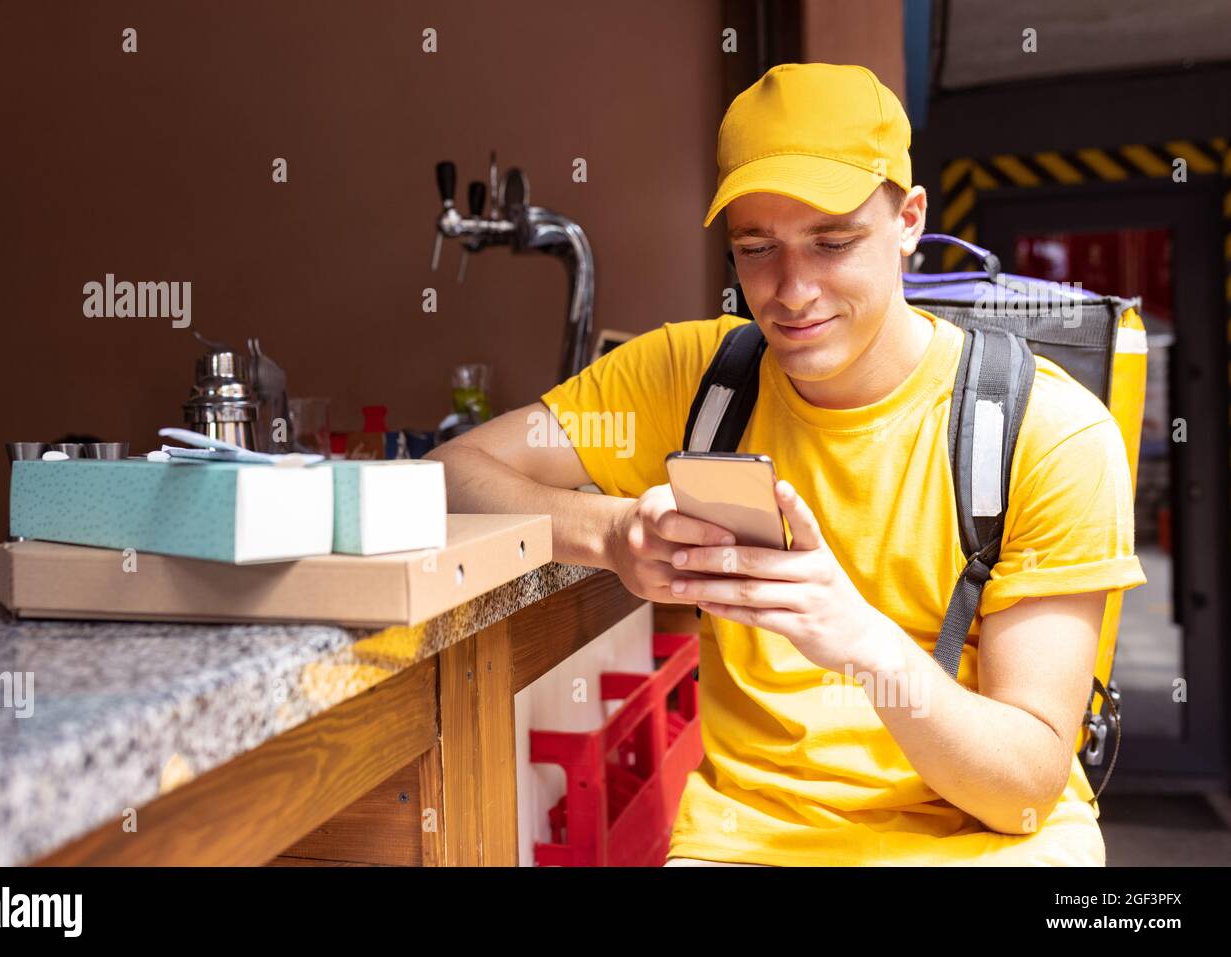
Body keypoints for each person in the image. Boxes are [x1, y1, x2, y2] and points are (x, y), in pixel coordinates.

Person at [428, 62, 1147, 866]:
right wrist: (612, 531)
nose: (793, 291)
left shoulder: (1047, 432)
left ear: (909, 220)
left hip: (983, 843)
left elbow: (1022, 792)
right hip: (750, 842)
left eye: (833, 242)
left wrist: (859, 642)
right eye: (756, 247)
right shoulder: (689, 376)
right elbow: (453, 472)